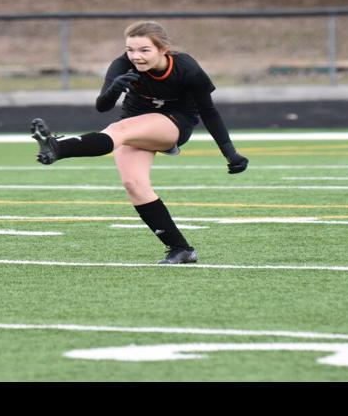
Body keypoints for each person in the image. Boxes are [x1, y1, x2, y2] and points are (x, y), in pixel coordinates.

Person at [30, 20, 249, 265]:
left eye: (144, 50)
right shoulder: (122, 64)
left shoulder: (187, 68)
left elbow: (208, 111)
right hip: (133, 124)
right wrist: (114, 88)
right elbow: (102, 106)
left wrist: (230, 152)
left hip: (175, 122)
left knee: (118, 130)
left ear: (163, 49)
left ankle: (58, 147)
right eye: (130, 50)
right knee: (133, 184)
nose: (136, 56)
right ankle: (181, 249)